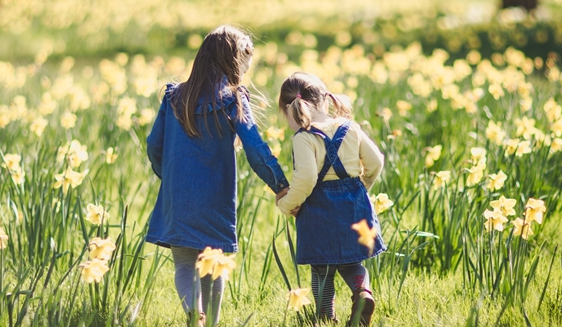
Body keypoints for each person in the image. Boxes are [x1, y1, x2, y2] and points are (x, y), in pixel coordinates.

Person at [145, 25, 290, 326]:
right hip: (216, 198)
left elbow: (153, 145)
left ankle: (191, 312)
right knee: (215, 262)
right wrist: (280, 184)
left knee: (184, 262)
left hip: (179, 196)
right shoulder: (234, 98)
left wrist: (168, 176)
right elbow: (256, 148)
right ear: (233, 61)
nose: (249, 65)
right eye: (246, 56)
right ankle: (211, 322)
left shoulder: (174, 96)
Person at [275, 72, 385, 326]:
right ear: (325, 100)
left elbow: (306, 179)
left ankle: (325, 317)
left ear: (290, 109)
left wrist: (287, 203)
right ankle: (362, 292)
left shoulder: (304, 137)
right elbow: (376, 162)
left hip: (319, 209)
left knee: (322, 268)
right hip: (355, 205)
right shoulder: (350, 127)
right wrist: (361, 187)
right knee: (352, 261)